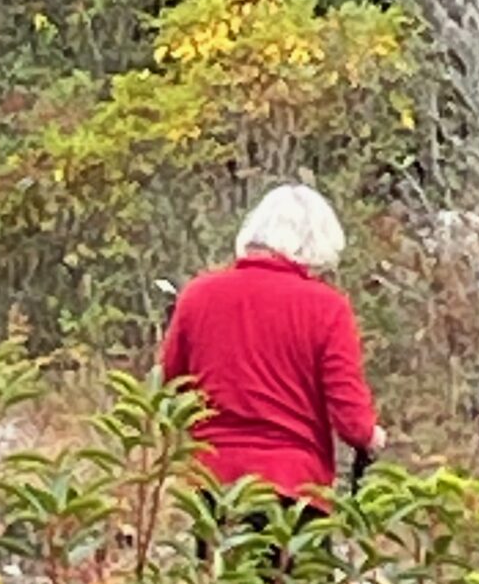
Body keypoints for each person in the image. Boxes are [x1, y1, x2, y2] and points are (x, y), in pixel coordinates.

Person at [159, 185, 385, 504]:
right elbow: (351, 419)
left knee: (217, 555)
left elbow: (171, 386)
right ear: (315, 244)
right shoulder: (326, 307)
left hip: (213, 481)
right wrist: (371, 437)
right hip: (294, 485)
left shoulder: (198, 295)